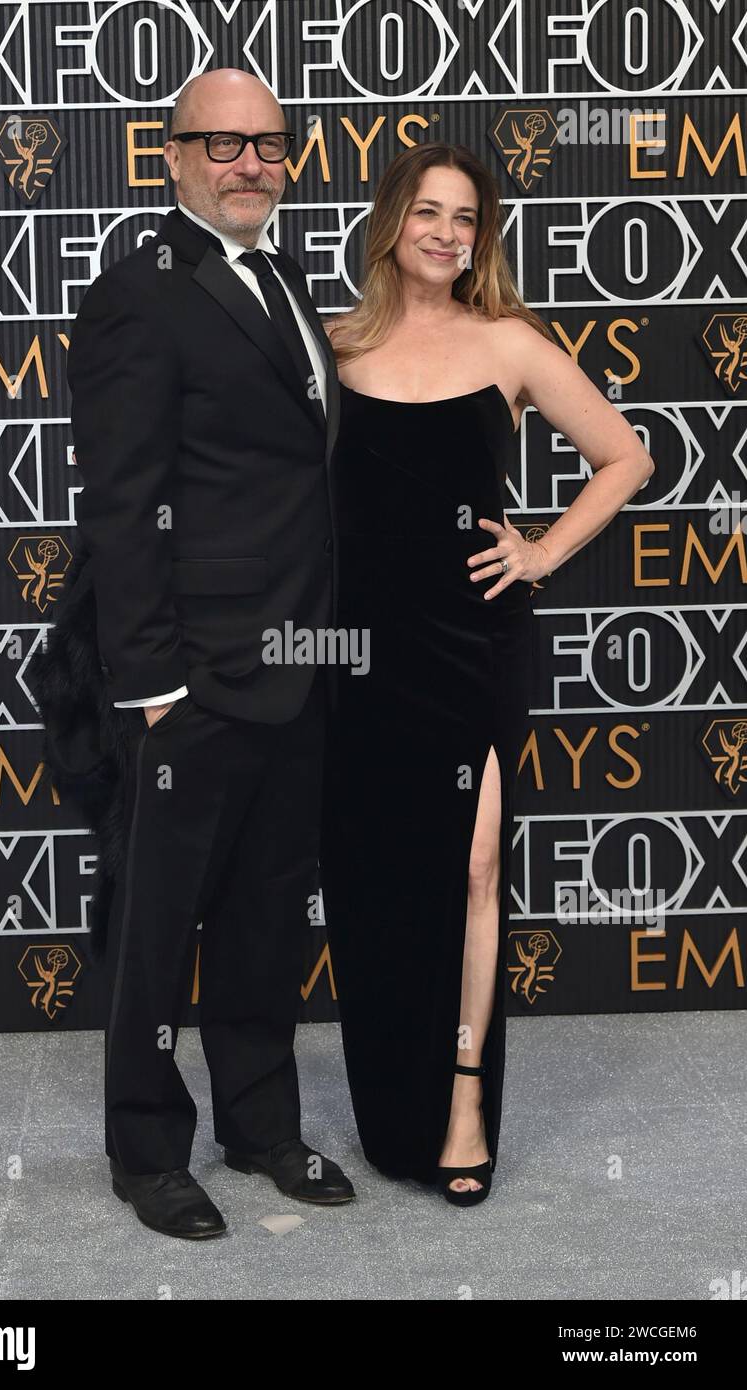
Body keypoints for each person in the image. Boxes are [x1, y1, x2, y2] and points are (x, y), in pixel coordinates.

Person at [319, 142, 654, 1206]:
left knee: (470, 873)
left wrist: (541, 552)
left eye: (465, 217)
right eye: (427, 211)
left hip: (471, 646)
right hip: (358, 657)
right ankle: (388, 1102)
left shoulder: (507, 342)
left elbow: (627, 455)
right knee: (375, 884)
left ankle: (463, 1097)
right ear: (391, 220)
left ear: (481, 236)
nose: (446, 233)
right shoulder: (335, 347)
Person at [64, 67, 353, 1240]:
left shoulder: (283, 278)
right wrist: (151, 684)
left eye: (269, 146)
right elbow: (123, 508)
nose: (249, 165)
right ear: (171, 156)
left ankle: (261, 1126)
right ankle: (145, 1149)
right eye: (222, 145)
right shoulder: (139, 294)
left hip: (295, 663)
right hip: (186, 678)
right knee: (156, 921)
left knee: (265, 917)